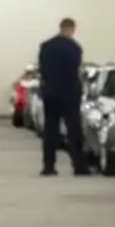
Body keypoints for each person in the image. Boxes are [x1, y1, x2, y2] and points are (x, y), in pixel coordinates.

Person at [38, 18, 89, 176]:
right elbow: (76, 71)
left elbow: (43, 70)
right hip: (69, 93)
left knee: (50, 129)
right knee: (73, 129)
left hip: (51, 92)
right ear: (72, 29)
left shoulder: (46, 47)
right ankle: (78, 166)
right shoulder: (74, 47)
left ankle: (49, 166)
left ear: (60, 27)